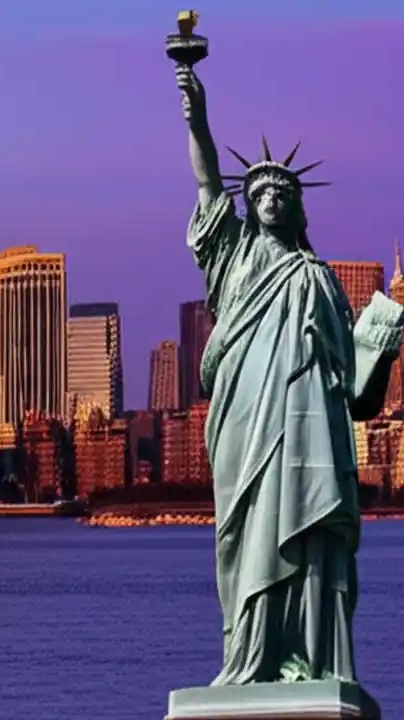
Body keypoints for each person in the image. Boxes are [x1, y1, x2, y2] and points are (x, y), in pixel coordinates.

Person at [175, 63, 402, 685]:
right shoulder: (233, 258)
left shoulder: (319, 279)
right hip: (244, 421)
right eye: (260, 192)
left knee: (307, 531)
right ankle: (248, 657)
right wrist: (197, 117)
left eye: (282, 192)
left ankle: (307, 656)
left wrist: (387, 324)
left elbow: (356, 389)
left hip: (308, 430)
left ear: (296, 206)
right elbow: (204, 183)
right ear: (248, 204)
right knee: (247, 534)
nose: (270, 198)